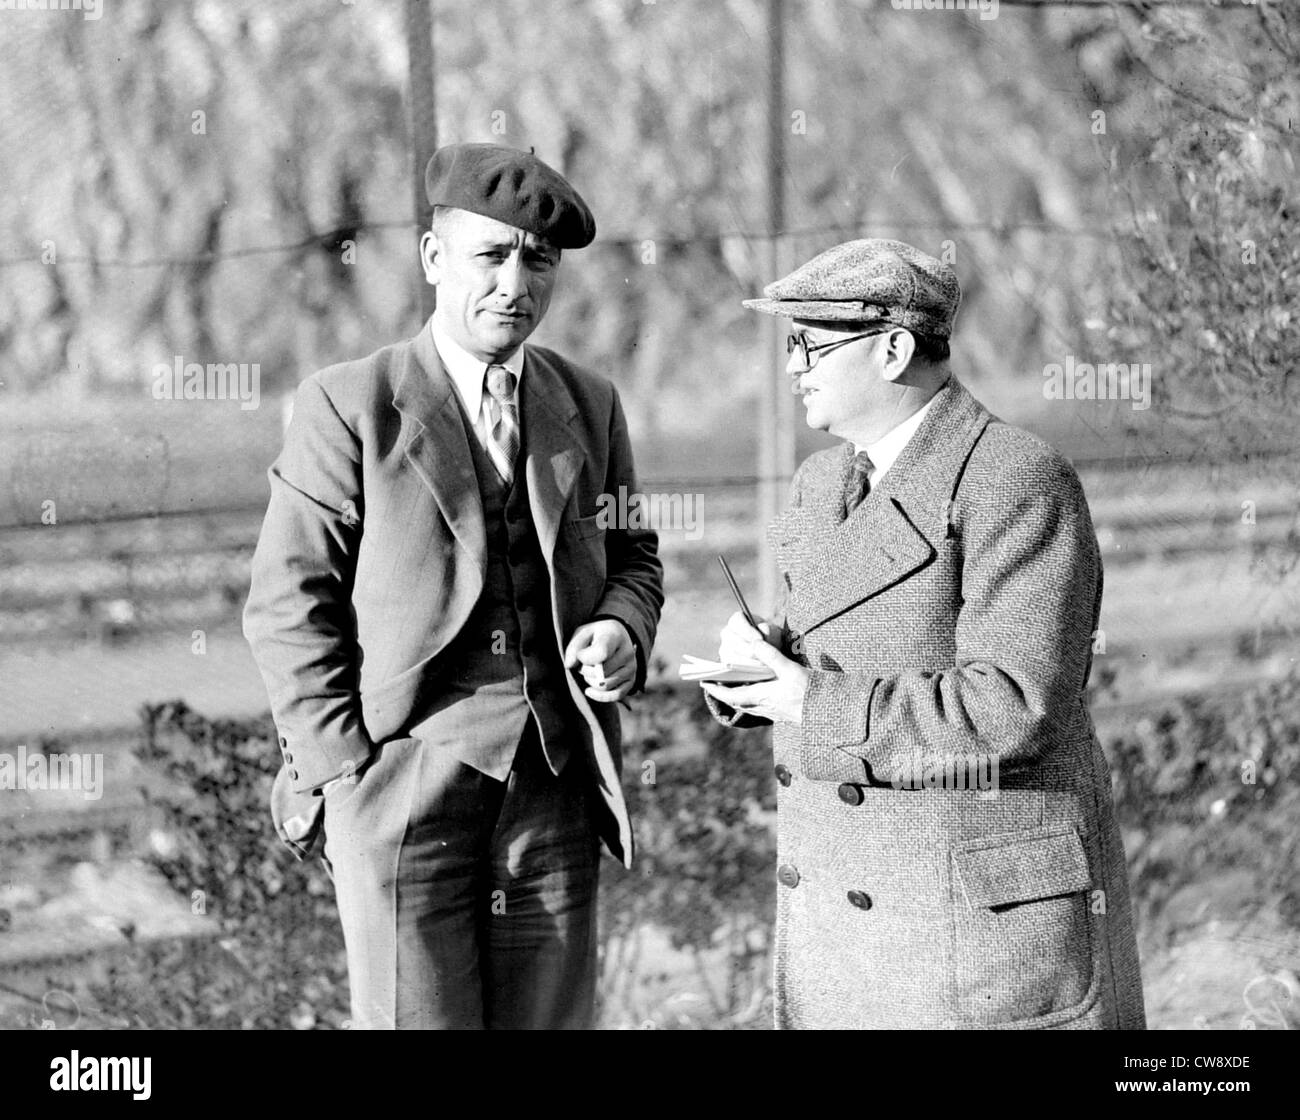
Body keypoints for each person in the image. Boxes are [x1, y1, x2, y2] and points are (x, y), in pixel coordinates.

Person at [243, 143, 664, 1029]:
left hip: (553, 793)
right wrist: (345, 779)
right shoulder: (350, 405)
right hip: (401, 791)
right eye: (491, 256)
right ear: (435, 260)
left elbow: (636, 561)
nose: (515, 283)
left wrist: (625, 628)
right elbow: (288, 606)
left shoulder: (591, 405)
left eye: (538, 261)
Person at [700, 238, 1145, 1030]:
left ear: (894, 350)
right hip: (846, 930)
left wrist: (813, 701)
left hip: (973, 937)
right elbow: (845, 649)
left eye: (809, 343)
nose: (794, 365)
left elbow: (1012, 705)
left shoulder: (1014, 477)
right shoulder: (823, 481)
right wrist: (765, 667)